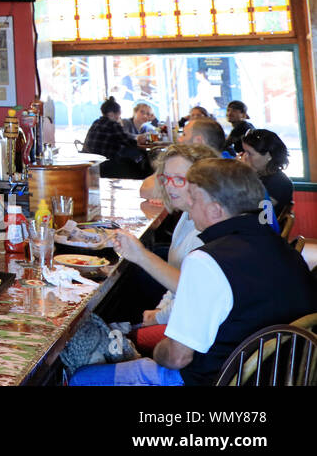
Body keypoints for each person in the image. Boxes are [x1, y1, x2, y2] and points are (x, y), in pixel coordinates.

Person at [70, 158, 317, 385]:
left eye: (194, 198)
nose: (188, 204)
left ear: (216, 210)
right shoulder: (285, 249)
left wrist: (154, 352)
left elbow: (177, 358)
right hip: (282, 376)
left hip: (212, 380)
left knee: (81, 377)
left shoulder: (208, 260)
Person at [113, 144, 216, 353]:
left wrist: (157, 316)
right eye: (166, 179)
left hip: (190, 338)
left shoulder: (204, 229)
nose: (169, 187)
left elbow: (193, 295)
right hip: (178, 314)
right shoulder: (187, 215)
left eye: (179, 179)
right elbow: (176, 288)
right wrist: (159, 310)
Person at [240, 128, 292, 230]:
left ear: (269, 155)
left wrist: (245, 174)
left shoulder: (279, 182)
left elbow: (254, 209)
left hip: (262, 234)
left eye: (250, 153)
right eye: (244, 152)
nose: (244, 157)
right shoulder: (260, 176)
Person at [84, 98, 147, 178]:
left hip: (91, 163)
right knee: (139, 164)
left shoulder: (96, 122)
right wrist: (139, 141)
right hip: (106, 164)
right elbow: (127, 142)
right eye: (118, 114)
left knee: (131, 157)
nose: (119, 117)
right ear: (111, 114)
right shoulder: (113, 125)